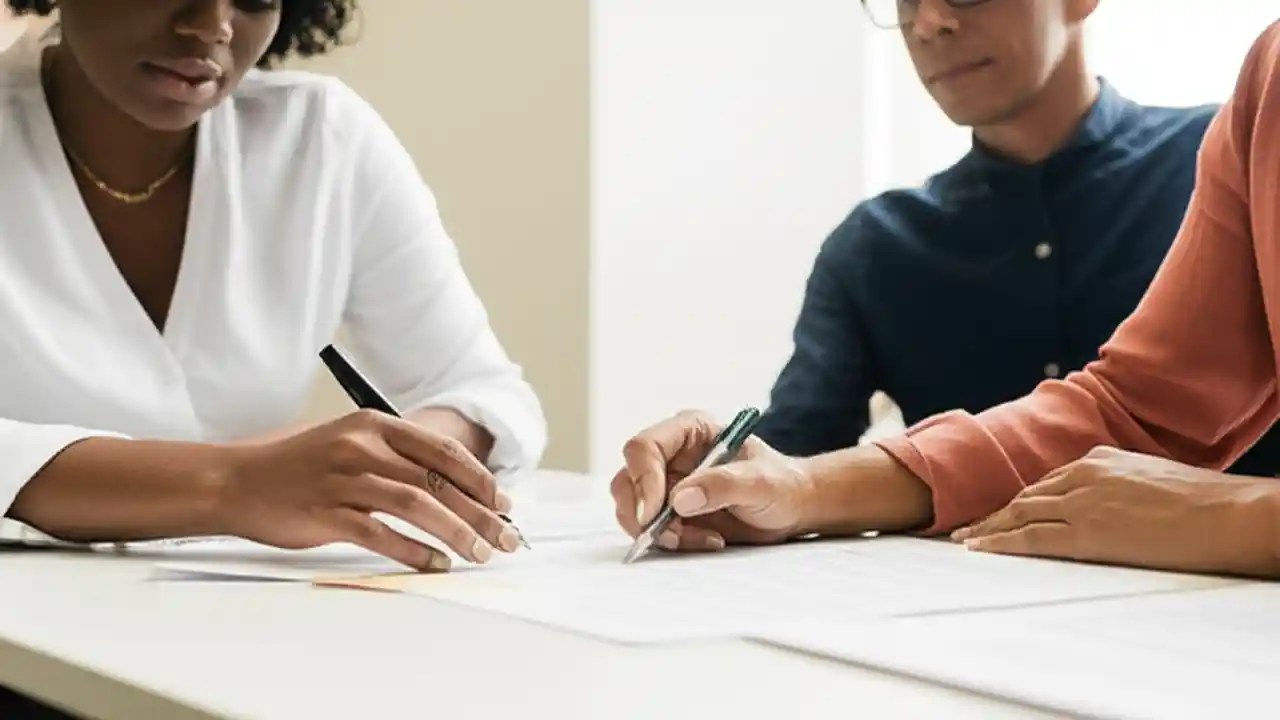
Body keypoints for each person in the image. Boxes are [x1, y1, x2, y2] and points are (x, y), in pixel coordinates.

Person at [610, 21, 1280, 580]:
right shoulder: (1263, 96)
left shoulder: (1202, 144)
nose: (929, 22)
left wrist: (1230, 518)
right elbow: (1136, 410)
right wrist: (789, 485)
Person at [0, 0, 546, 572]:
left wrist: (377, 462)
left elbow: (484, 392)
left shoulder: (321, 137)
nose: (211, 26)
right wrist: (237, 480)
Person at [754, 0, 1280, 474]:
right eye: (906, 0)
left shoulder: (1239, 165)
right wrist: (725, 473)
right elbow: (789, 455)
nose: (928, 22)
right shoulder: (873, 246)